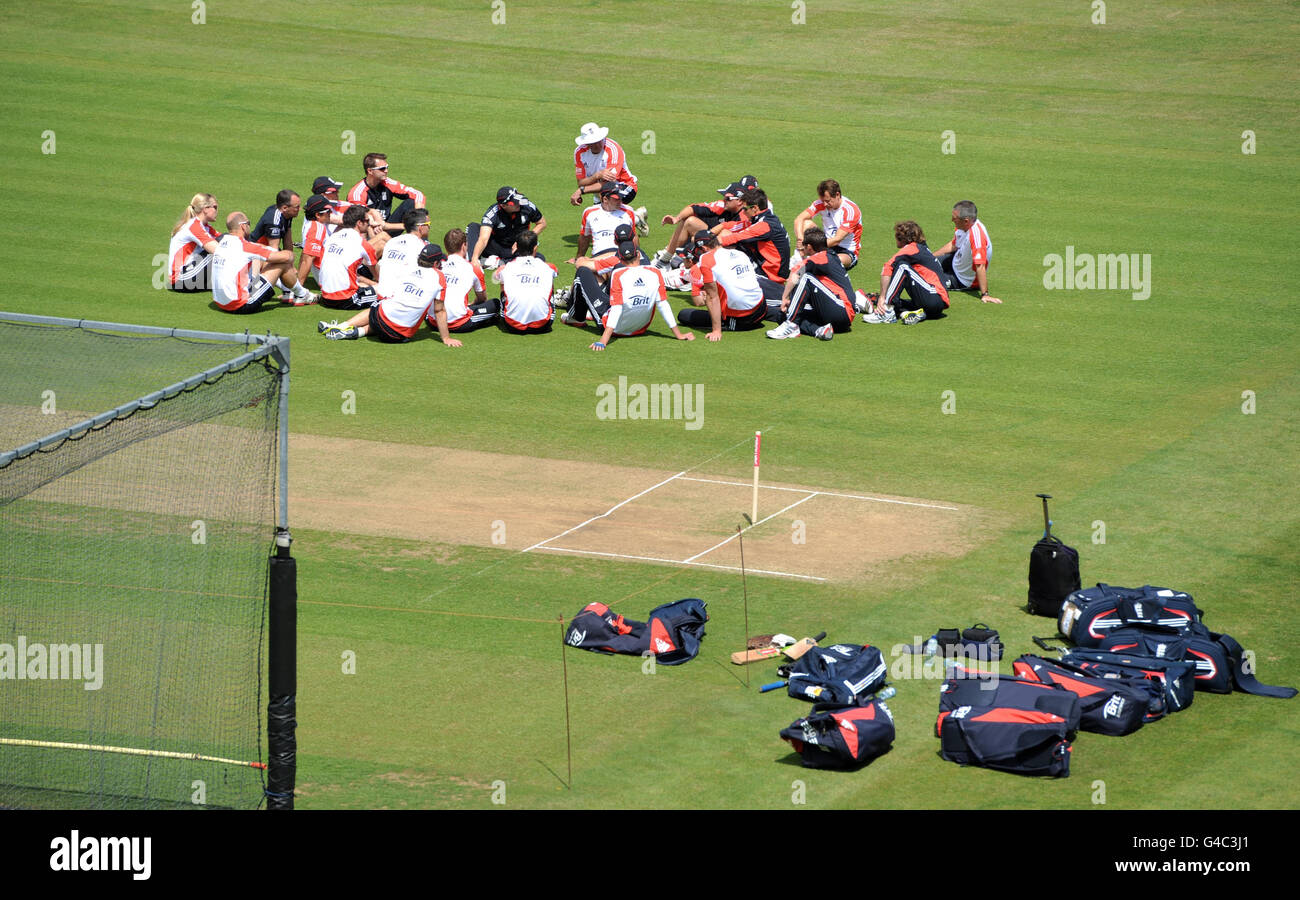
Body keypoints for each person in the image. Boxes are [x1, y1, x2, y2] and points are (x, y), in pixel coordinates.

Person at [561, 241, 694, 351]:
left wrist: (603, 341)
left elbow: (617, 308)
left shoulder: (619, 274)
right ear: (637, 255)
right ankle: (586, 314)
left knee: (583, 272)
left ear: (619, 259)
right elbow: (663, 304)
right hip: (641, 328)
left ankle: (576, 318)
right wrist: (679, 334)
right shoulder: (655, 272)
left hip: (615, 329)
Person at [319, 243, 454, 344]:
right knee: (388, 315)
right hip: (400, 334)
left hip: (381, 317)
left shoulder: (408, 269)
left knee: (380, 306)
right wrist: (446, 338)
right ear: (435, 262)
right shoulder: (439, 277)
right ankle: (357, 332)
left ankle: (341, 327)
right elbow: (439, 311)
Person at [676, 230, 767, 341]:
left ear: (704, 249)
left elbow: (711, 297)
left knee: (684, 315)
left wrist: (716, 330)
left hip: (743, 319)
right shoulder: (739, 253)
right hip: (762, 309)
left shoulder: (706, 259)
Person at [766, 228, 855, 341]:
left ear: (809, 247)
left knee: (806, 278)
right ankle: (818, 330)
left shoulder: (821, 258)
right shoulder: (829, 256)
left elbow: (795, 274)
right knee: (783, 315)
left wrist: (785, 297)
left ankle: (791, 324)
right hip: (837, 316)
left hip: (841, 310)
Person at [210, 211, 302, 313]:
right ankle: (303, 294)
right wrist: (290, 253)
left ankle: (288, 291)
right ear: (243, 226)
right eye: (248, 223)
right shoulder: (245, 246)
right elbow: (286, 257)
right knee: (281, 262)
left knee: (262, 260)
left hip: (220, 302)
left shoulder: (222, 242)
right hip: (241, 304)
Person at [862, 220, 950, 326]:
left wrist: (883, 297)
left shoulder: (913, 248)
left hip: (933, 298)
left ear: (902, 238)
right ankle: (910, 313)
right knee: (899, 300)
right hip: (934, 304)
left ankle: (887, 311)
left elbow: (888, 266)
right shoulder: (923, 249)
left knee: (902, 267)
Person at [654, 182, 746, 266]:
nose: (724, 200)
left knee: (724, 233)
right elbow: (693, 208)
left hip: (734, 251)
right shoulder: (723, 205)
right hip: (715, 238)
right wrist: (676, 218)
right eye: (724, 197)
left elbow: (729, 236)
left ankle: (696, 266)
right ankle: (665, 259)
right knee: (690, 221)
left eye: (728, 198)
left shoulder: (744, 217)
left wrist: (702, 238)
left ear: (740, 201)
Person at [718, 188, 791, 286]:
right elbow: (734, 226)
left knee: (727, 250)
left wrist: (707, 242)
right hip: (772, 268)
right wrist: (713, 231)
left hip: (770, 275)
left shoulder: (763, 226)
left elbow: (732, 239)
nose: (743, 212)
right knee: (727, 236)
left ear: (755, 208)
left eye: (745, 209)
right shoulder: (767, 217)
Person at [932, 200, 1000, 303]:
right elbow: (954, 245)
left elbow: (980, 265)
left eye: (954, 218)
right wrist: (931, 257)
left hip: (962, 280)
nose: (952, 220)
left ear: (966, 221)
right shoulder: (963, 226)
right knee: (924, 265)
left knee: (928, 281)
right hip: (954, 261)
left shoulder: (977, 237)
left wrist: (985, 294)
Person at [318, 205, 385, 309]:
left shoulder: (332, 238)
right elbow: (379, 277)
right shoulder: (362, 243)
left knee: (364, 284)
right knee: (387, 291)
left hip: (326, 295)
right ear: (359, 223)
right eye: (367, 221)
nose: (369, 224)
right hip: (346, 299)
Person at [347, 152, 428, 235]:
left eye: (387, 167)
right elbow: (362, 221)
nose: (386, 171)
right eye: (382, 169)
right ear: (370, 171)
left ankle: (420, 243)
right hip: (369, 231)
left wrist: (419, 216)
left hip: (387, 227)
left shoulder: (387, 183)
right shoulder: (357, 193)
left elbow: (418, 194)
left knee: (411, 203)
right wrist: (407, 226)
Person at [435, 228, 498, 334]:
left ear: (446, 246)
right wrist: (471, 304)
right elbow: (482, 298)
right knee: (496, 304)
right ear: (464, 246)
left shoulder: (437, 264)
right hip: (458, 323)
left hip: (434, 321)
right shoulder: (473, 268)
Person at [468, 186, 546, 269]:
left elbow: (542, 223)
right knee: (473, 227)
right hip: (496, 245)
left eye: (518, 199)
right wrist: (474, 258)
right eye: (514, 202)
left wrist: (523, 240)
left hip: (517, 248)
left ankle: (497, 263)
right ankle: (472, 261)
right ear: (504, 206)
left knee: (540, 258)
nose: (518, 203)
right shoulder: (493, 213)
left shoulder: (527, 205)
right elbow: (483, 239)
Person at [494, 231, 556, 334]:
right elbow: (555, 271)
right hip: (543, 326)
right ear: (535, 247)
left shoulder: (506, 268)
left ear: (516, 246)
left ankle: (512, 310)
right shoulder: (548, 267)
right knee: (550, 280)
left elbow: (495, 278)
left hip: (512, 326)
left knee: (503, 282)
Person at [792, 179, 863, 270]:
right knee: (806, 224)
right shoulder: (821, 203)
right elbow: (799, 219)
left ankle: (808, 261)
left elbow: (837, 240)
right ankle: (799, 259)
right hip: (824, 244)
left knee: (832, 261)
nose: (825, 204)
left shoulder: (850, 211)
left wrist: (813, 246)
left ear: (837, 195)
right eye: (823, 201)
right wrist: (801, 241)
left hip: (846, 251)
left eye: (828, 201)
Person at [570, 122, 637, 206]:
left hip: (624, 186)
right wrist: (597, 176)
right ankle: (637, 217)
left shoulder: (613, 149)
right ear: (586, 143)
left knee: (610, 202)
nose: (597, 145)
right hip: (600, 195)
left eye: (599, 140)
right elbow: (581, 183)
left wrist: (581, 190)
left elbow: (609, 184)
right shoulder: (579, 153)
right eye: (593, 142)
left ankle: (636, 217)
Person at [167, 193, 221, 293]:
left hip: (189, 273)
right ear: (205, 209)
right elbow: (218, 250)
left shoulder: (204, 226)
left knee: (225, 239)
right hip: (180, 279)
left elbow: (225, 239)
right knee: (219, 254)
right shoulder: (193, 226)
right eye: (215, 207)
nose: (217, 211)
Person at [375, 208, 431, 300]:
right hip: (400, 300)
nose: (429, 228)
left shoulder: (391, 242)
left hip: (381, 297)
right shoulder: (422, 248)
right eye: (428, 225)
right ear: (420, 228)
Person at [576, 183, 638, 260]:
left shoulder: (628, 211)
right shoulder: (589, 212)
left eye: (621, 198)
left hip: (621, 255)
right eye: (616, 199)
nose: (620, 201)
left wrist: (635, 257)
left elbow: (633, 237)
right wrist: (579, 258)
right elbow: (585, 237)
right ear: (605, 199)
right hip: (598, 256)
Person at [296, 194, 333, 287]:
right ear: (317, 215)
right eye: (327, 211)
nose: (330, 213)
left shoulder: (309, 225)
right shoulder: (317, 228)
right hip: (331, 279)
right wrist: (298, 290)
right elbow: (308, 259)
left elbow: (304, 256)